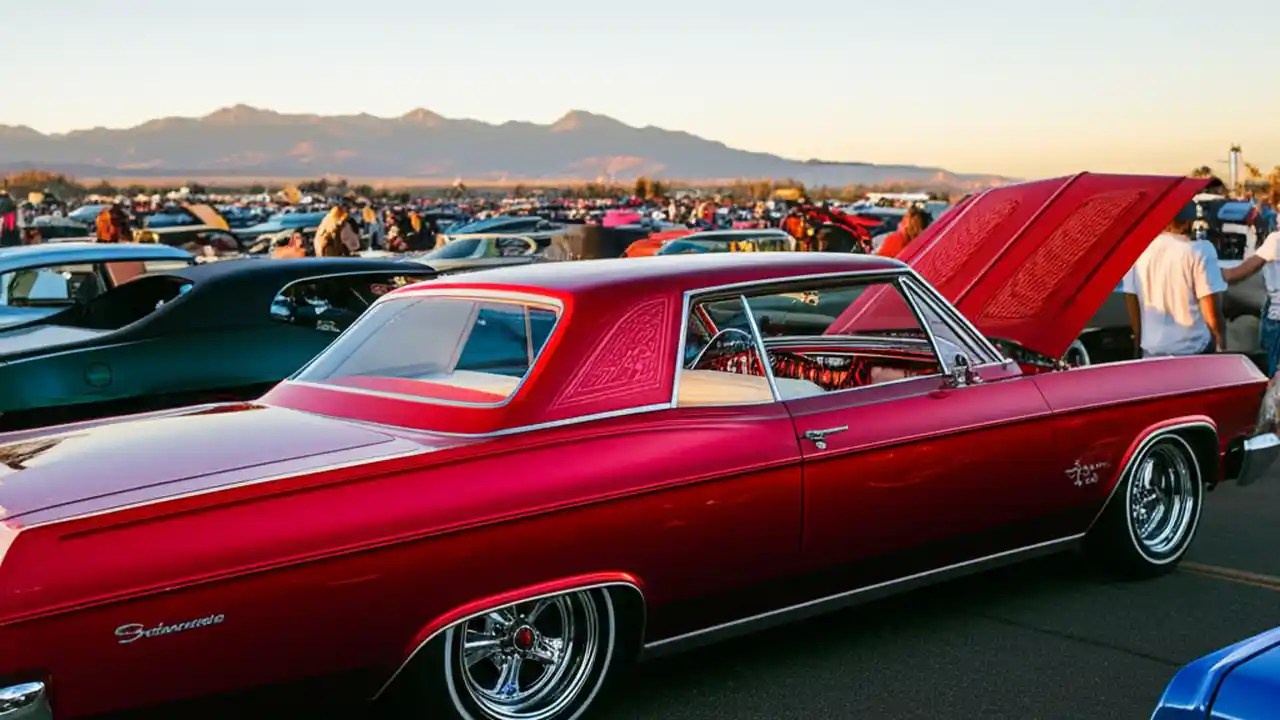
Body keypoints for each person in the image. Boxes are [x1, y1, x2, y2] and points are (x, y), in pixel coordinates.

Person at [1122, 203, 1227, 357]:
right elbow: (1211, 311)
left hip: (1152, 351)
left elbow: (1131, 301)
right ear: (1188, 221)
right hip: (1193, 351)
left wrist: (1138, 342)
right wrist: (1221, 341)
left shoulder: (1137, 251)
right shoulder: (1200, 250)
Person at [1222, 226, 1280, 374]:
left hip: (1277, 319)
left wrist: (1203, 268)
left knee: (1274, 380)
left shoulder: (1275, 240)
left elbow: (1233, 275)